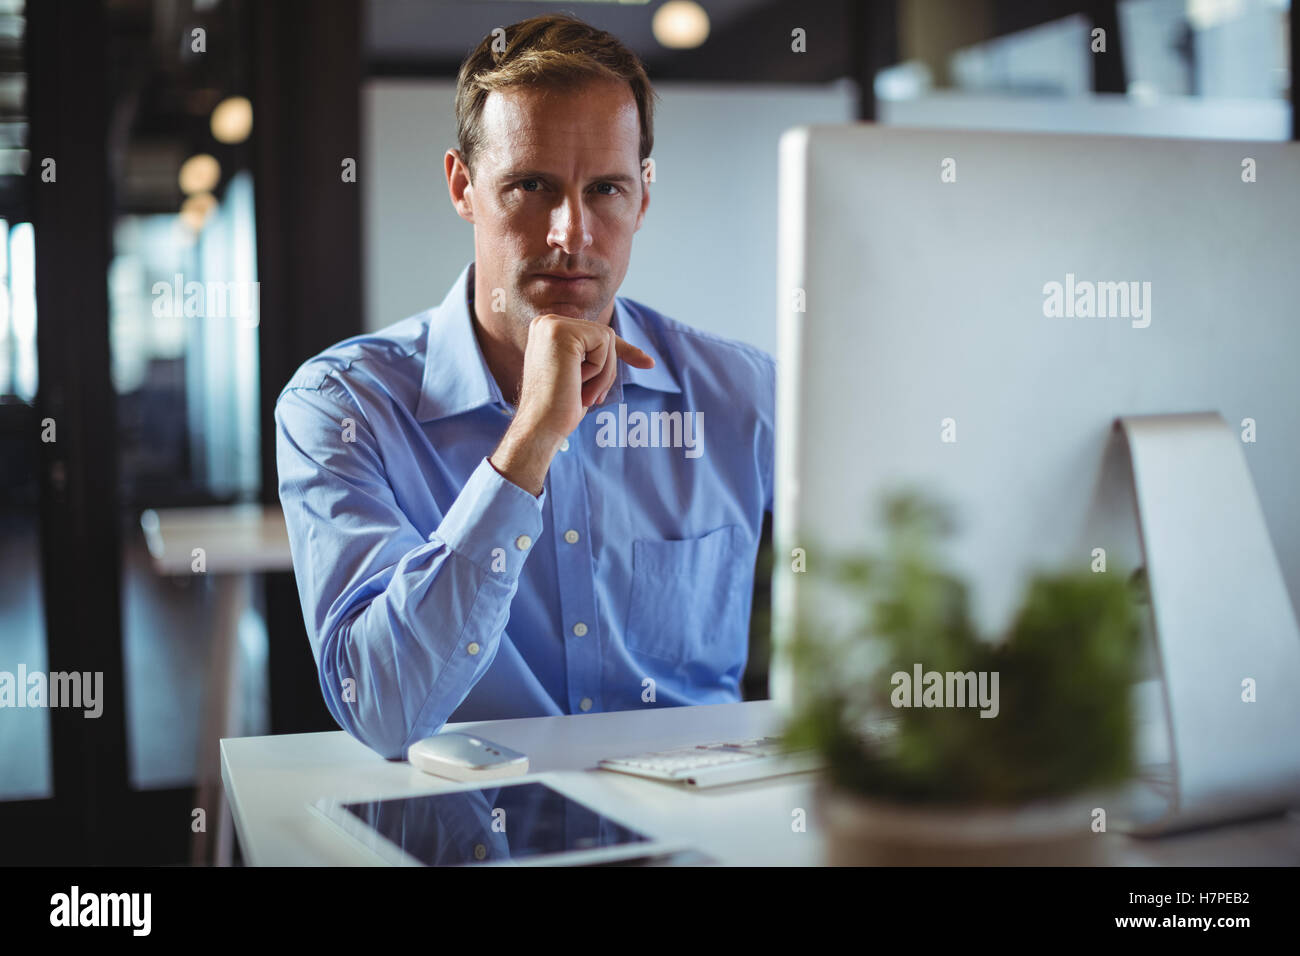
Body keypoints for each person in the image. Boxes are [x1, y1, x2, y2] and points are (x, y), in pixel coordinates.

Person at [275, 13, 774, 759]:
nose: (570, 233)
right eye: (531, 185)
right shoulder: (343, 407)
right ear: (463, 187)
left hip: (698, 827)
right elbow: (379, 709)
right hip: (469, 826)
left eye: (605, 188)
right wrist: (528, 443)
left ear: (642, 197)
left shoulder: (740, 395)